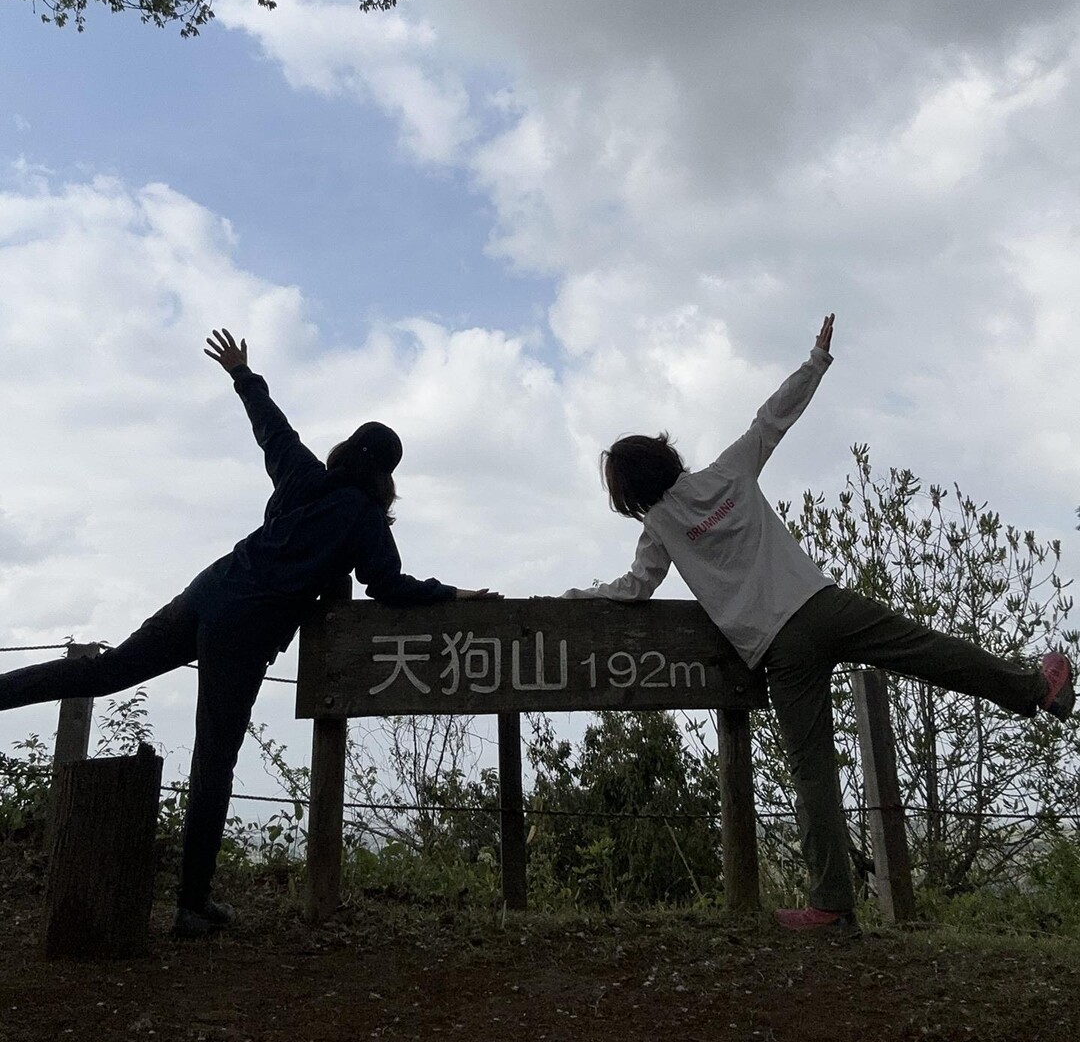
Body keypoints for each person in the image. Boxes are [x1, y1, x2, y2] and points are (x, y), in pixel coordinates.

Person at [562, 314, 1074, 935]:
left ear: (629, 495)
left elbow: (635, 589)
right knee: (926, 649)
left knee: (812, 771)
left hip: (780, 650)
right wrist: (815, 359)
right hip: (822, 605)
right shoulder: (726, 473)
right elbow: (771, 419)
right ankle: (1033, 689)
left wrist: (579, 596)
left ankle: (831, 907)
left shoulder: (661, 529)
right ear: (665, 455)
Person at [0, 328, 492, 938]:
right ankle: (192, 904)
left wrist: (243, 374)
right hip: (244, 631)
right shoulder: (366, 520)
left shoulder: (305, 477)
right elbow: (388, 586)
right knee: (213, 761)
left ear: (345, 452)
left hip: (206, 592)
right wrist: (451, 592)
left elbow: (272, 428)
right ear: (387, 475)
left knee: (104, 673)